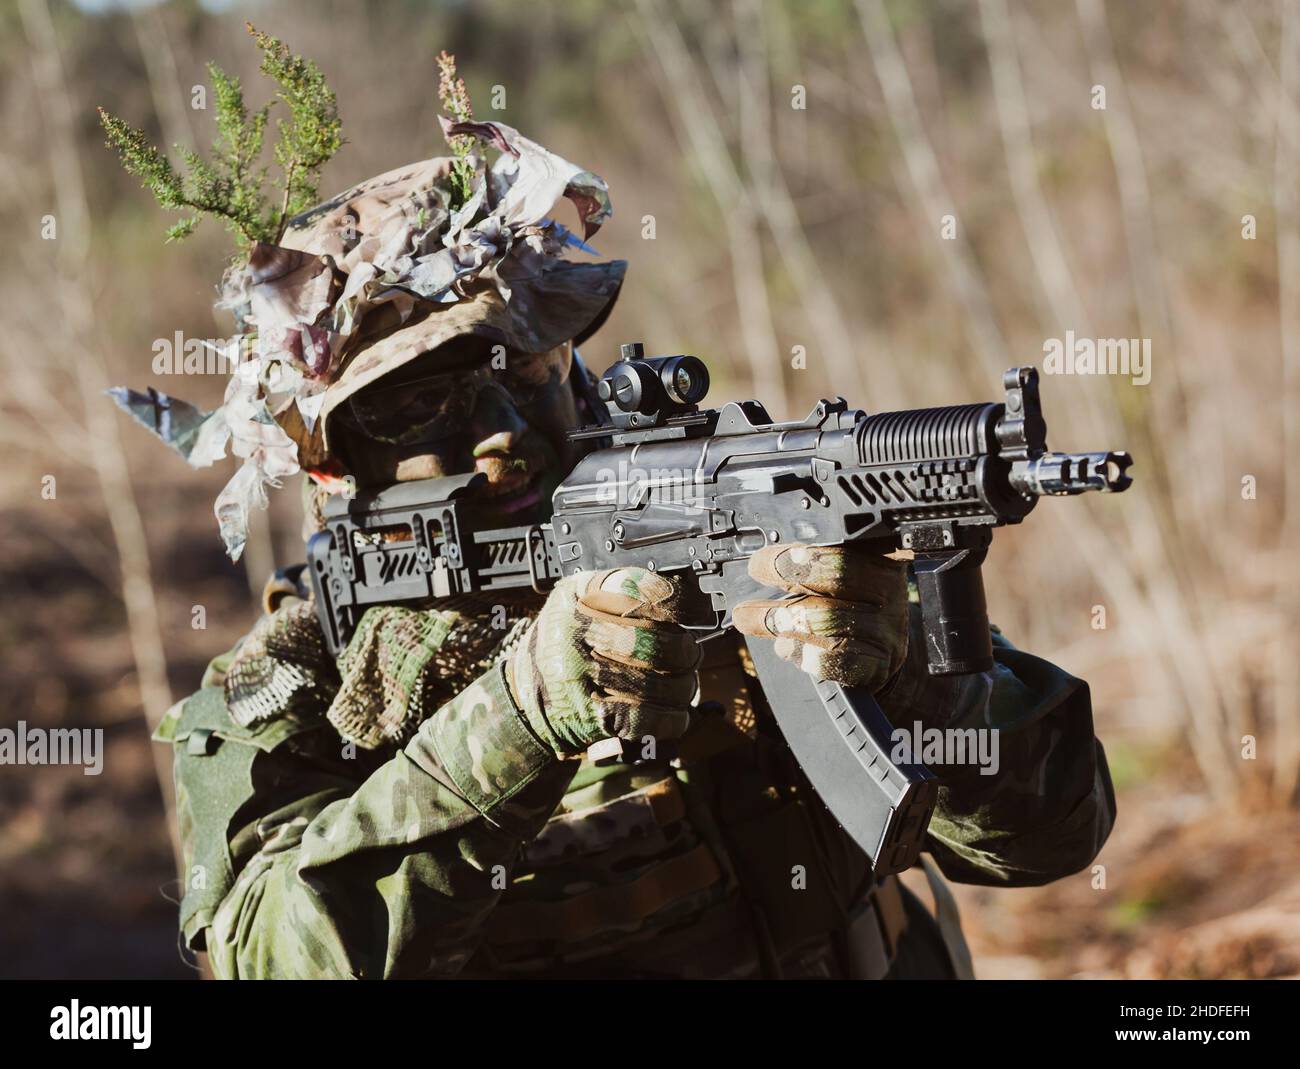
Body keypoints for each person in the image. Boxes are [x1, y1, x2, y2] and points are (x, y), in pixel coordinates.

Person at [147, 128, 1115, 980]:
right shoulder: (304, 684)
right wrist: (515, 718)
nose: (498, 432)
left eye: (523, 363)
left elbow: (1055, 836)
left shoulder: (738, 526)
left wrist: (916, 679)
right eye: (421, 404)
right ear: (333, 468)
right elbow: (278, 957)